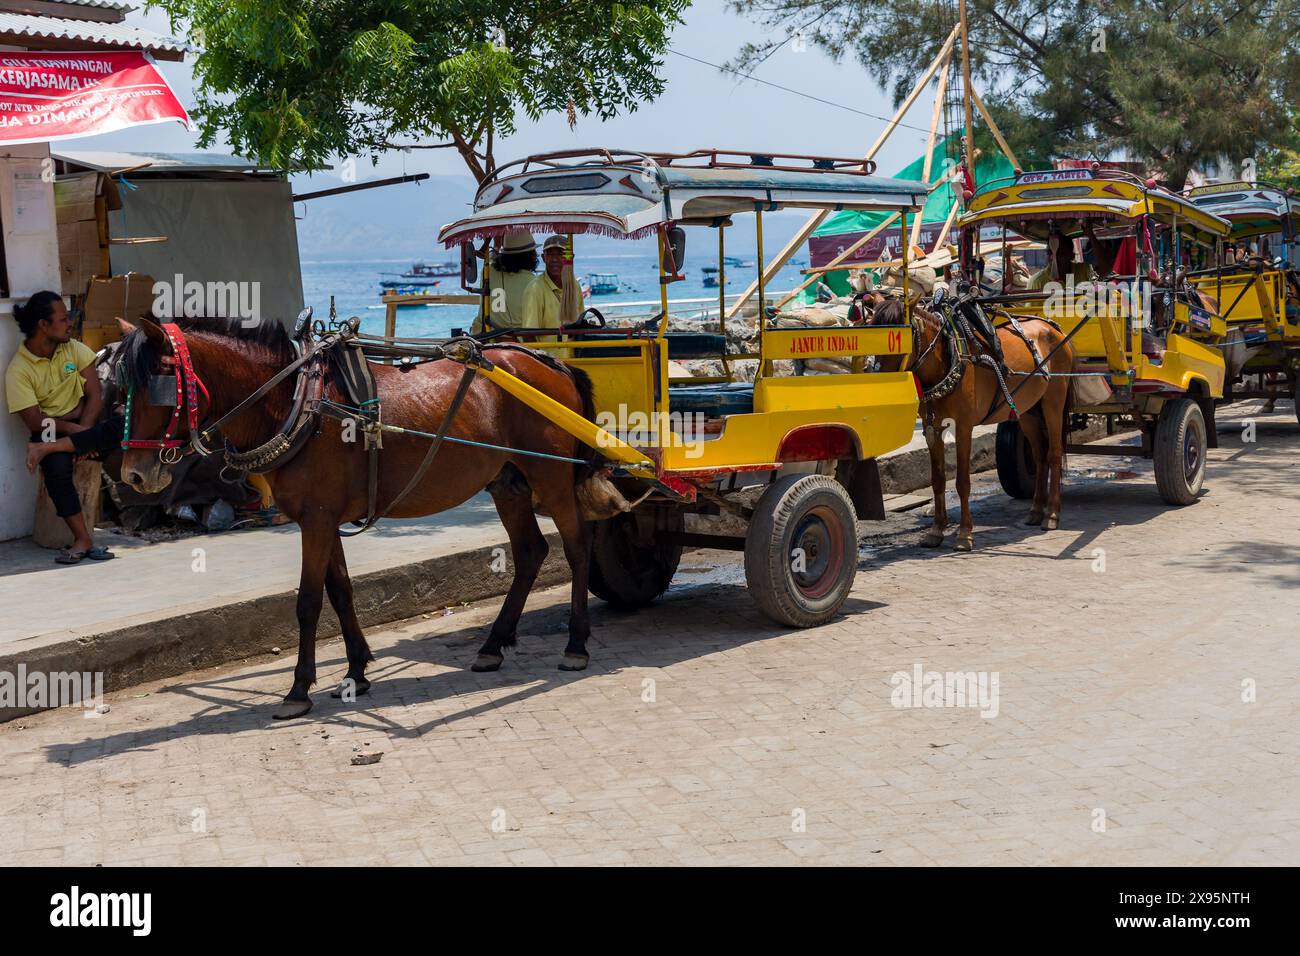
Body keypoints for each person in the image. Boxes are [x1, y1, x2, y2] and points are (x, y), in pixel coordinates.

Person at [5, 292, 122, 563]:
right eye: (63, 319)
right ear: (43, 326)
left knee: (123, 426)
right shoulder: (19, 370)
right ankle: (83, 539)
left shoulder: (74, 348)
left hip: (83, 425)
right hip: (52, 429)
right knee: (56, 470)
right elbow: (35, 421)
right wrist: (76, 431)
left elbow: (95, 396)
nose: (70, 323)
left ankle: (46, 449)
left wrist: (84, 426)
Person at [471, 229, 537, 334]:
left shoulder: (488, 272)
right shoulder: (534, 282)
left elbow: (494, 260)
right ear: (532, 257)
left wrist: (496, 245)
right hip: (520, 338)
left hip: (487, 336)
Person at [520, 234, 569, 333]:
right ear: (543, 258)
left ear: (570, 257)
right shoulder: (535, 289)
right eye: (550, 254)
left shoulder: (574, 286)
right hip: (545, 349)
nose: (554, 259)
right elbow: (528, 334)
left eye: (560, 254)